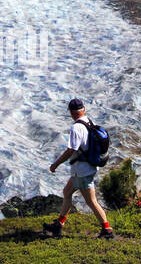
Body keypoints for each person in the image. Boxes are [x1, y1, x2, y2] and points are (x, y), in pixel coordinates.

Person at [44, 97, 114, 239]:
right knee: (67, 192)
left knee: (91, 202)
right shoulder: (88, 122)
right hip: (85, 168)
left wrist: (55, 164)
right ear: (84, 109)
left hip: (82, 171)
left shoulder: (76, 128)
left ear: (71, 112)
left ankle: (107, 230)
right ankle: (59, 224)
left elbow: (71, 150)